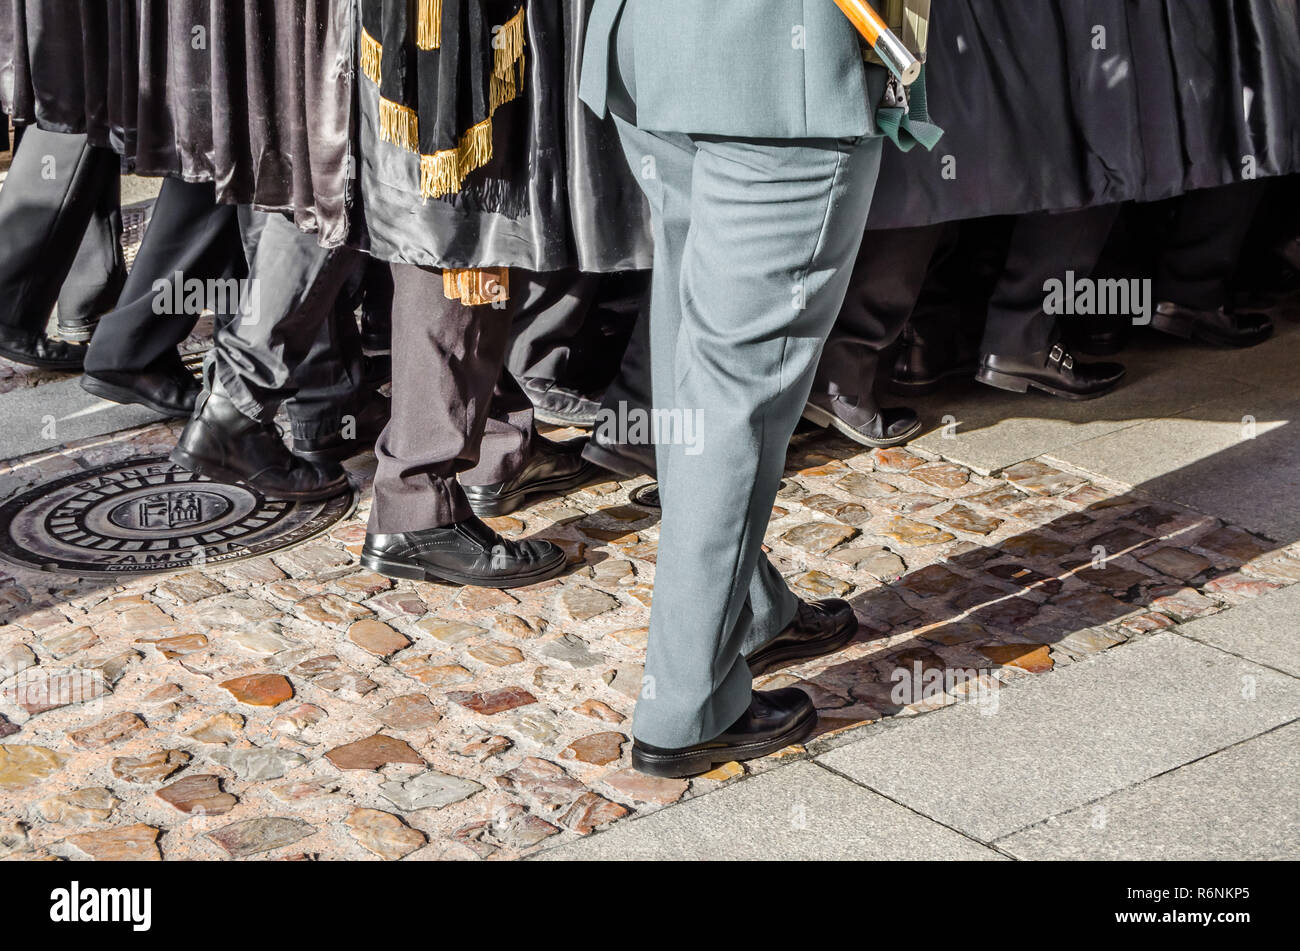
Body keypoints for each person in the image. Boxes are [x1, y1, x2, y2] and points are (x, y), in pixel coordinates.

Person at [579, 0, 938, 777]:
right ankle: (688, 704)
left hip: (657, 42)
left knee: (693, 354)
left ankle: (747, 610)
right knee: (733, 383)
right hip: (780, 65)